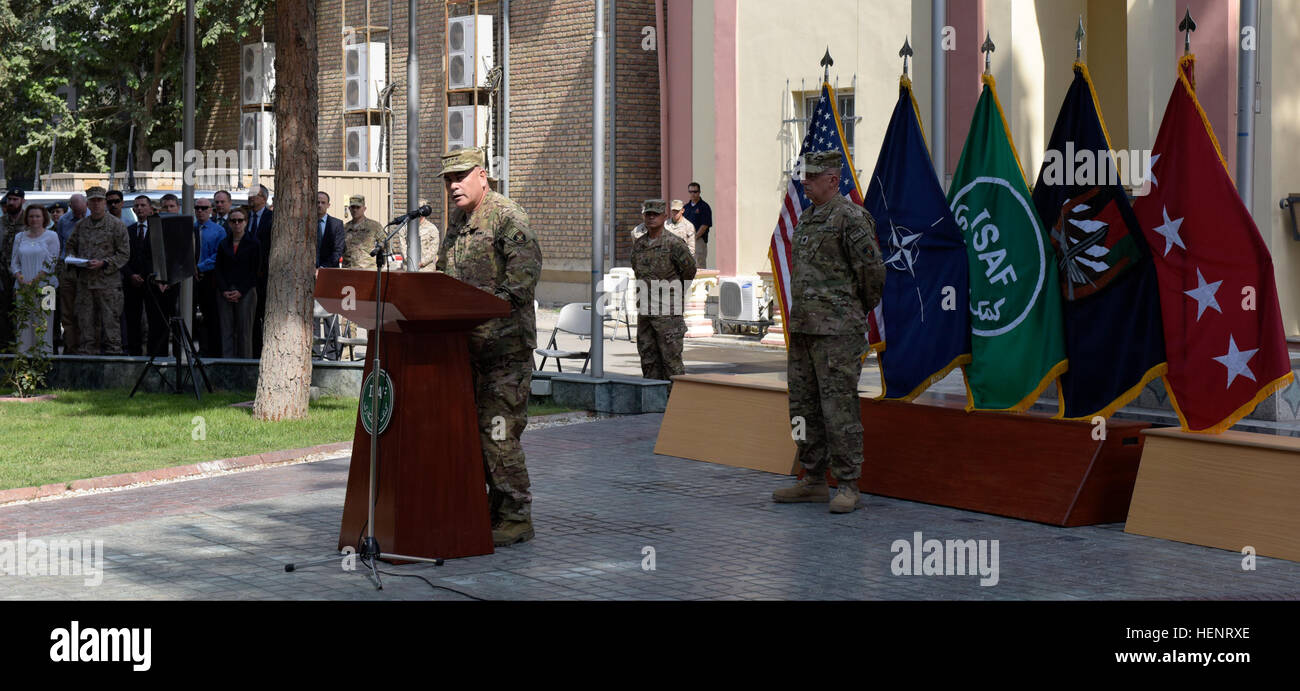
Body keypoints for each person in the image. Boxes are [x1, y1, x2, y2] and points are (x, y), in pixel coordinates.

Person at [436, 147, 542, 547]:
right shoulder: (459, 223)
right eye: (448, 179)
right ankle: (488, 510)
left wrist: (476, 314)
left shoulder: (507, 217)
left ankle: (516, 516)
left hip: (504, 351)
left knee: (498, 433)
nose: (453, 185)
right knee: (471, 433)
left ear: (483, 174)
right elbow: (444, 277)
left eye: (461, 176)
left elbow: (522, 281)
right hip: (466, 350)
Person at [771, 151, 886, 514]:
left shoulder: (850, 218)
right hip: (804, 329)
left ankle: (848, 483)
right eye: (804, 176)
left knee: (838, 409)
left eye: (812, 176)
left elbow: (873, 273)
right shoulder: (807, 218)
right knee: (802, 409)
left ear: (833, 180)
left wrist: (850, 311)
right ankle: (813, 478)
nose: (804, 181)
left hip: (838, 334)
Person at [630, 199, 696, 386]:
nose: (651, 218)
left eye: (655, 214)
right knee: (648, 357)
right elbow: (637, 270)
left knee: (671, 360)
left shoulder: (674, 244)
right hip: (646, 310)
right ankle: (653, 401)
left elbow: (689, 271)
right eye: (648, 214)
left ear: (664, 217)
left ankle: (677, 402)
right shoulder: (639, 245)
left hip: (668, 313)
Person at [65, 187, 130, 355]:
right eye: (92, 201)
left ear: (105, 203)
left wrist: (104, 263)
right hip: (85, 284)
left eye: (99, 201)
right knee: (86, 326)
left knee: (111, 328)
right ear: (87, 204)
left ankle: (114, 367)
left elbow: (124, 254)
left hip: (108, 284)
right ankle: (87, 366)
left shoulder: (117, 225)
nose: (96, 204)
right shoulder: (81, 225)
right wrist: (75, 260)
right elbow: (70, 246)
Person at [9, 205, 61, 354]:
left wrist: (34, 282)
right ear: (27, 218)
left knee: (44, 325)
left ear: (44, 218)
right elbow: (14, 262)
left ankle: (43, 361)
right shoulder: (19, 237)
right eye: (31, 216)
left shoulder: (52, 236)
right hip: (22, 288)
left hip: (47, 288)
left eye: (37, 216)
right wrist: (21, 279)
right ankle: (24, 364)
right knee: (23, 325)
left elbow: (51, 263)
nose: (34, 219)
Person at [214, 208, 260, 358]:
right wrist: (224, 290)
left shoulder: (254, 243)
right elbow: (218, 269)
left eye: (240, 220)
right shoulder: (223, 244)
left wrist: (241, 290)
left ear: (246, 222)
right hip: (225, 292)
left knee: (244, 332)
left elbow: (256, 271)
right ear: (229, 223)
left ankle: (244, 367)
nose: (237, 224)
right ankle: (227, 366)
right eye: (233, 221)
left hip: (246, 292)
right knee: (226, 330)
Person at [121, 195, 156, 356]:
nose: (140, 208)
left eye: (143, 205)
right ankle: (135, 353)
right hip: (131, 282)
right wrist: (131, 275)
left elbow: (157, 256)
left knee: (153, 319)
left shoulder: (157, 230)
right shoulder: (128, 230)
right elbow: (123, 256)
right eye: (137, 206)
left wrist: (144, 274)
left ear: (150, 208)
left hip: (151, 281)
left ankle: (153, 353)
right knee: (132, 319)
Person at [193, 197, 227, 357]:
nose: (200, 211)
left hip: (209, 277)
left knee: (210, 315)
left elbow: (219, 255)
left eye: (204, 208)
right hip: (190, 278)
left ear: (211, 210)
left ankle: (212, 350)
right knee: (191, 316)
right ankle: (198, 348)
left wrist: (199, 267)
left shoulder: (218, 231)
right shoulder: (190, 229)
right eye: (197, 208)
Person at [55, 193, 88, 353]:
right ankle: (70, 347)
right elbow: (61, 246)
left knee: (86, 311)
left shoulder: (94, 218)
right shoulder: (64, 220)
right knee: (67, 312)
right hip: (68, 270)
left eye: (81, 212)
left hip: (88, 271)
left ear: (86, 206)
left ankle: (86, 347)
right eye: (76, 212)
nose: (79, 215)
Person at [314, 191, 346, 360]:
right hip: (309, 275)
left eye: (322, 202)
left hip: (329, 275)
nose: (319, 205)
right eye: (317, 202)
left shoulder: (336, 224)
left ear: (328, 205)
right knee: (312, 317)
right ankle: (314, 353)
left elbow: (338, 249)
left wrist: (324, 268)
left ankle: (333, 355)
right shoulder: (306, 223)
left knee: (330, 316)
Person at [247, 184, 273, 357]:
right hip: (246, 275)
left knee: (262, 314)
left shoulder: (272, 218)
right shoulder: (243, 217)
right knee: (251, 318)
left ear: (264, 198)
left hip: (264, 276)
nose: (250, 198)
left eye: (254, 195)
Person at [1, 187, 27, 348]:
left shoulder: (29, 220)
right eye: (9, 199)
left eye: (15, 199)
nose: (11, 202)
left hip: (24, 273)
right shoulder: (2, 222)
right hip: (3, 274)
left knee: (23, 310)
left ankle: (23, 345)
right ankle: (5, 345)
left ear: (23, 201)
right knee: (3, 311)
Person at [341, 194, 395, 269]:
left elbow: (385, 245)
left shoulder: (374, 226)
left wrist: (381, 265)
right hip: (348, 270)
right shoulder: (345, 228)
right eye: (353, 207)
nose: (355, 210)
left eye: (358, 207)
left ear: (364, 208)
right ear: (349, 209)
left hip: (368, 270)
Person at [682, 181, 713, 268]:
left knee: (699, 266)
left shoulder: (704, 207)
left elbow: (705, 225)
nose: (693, 194)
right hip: (686, 241)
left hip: (698, 240)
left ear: (699, 192)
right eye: (690, 192)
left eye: (695, 192)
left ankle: (700, 282)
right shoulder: (686, 207)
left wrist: (694, 237)